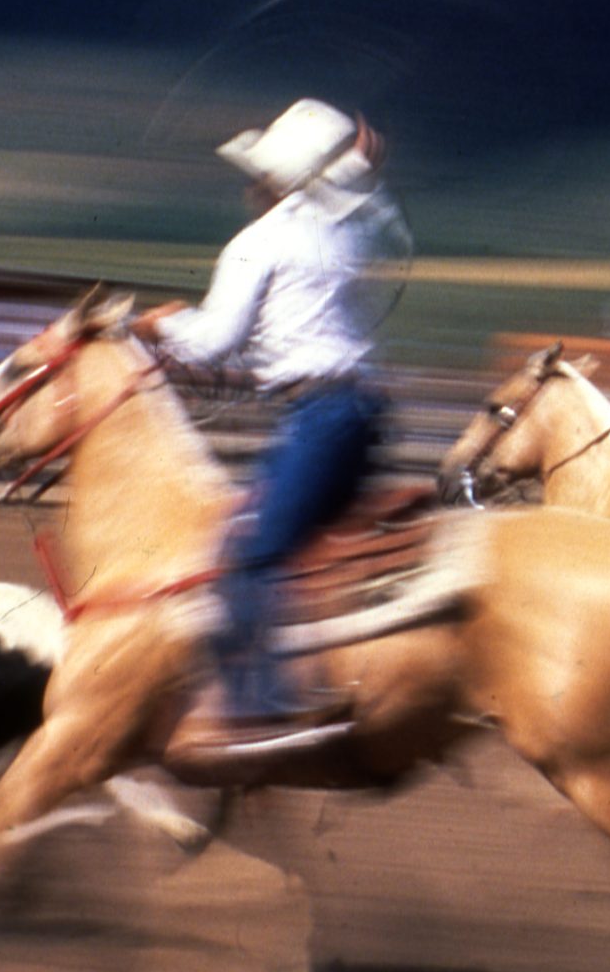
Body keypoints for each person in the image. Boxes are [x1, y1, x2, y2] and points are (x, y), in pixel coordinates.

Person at [135, 99, 409, 757]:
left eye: (258, 173)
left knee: (251, 553)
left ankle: (267, 704)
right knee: (302, 544)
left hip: (318, 418)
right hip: (362, 411)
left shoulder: (256, 243)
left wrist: (158, 323)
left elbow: (210, 342)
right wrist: (361, 170)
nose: (249, 184)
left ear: (274, 177)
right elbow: (365, 207)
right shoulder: (346, 230)